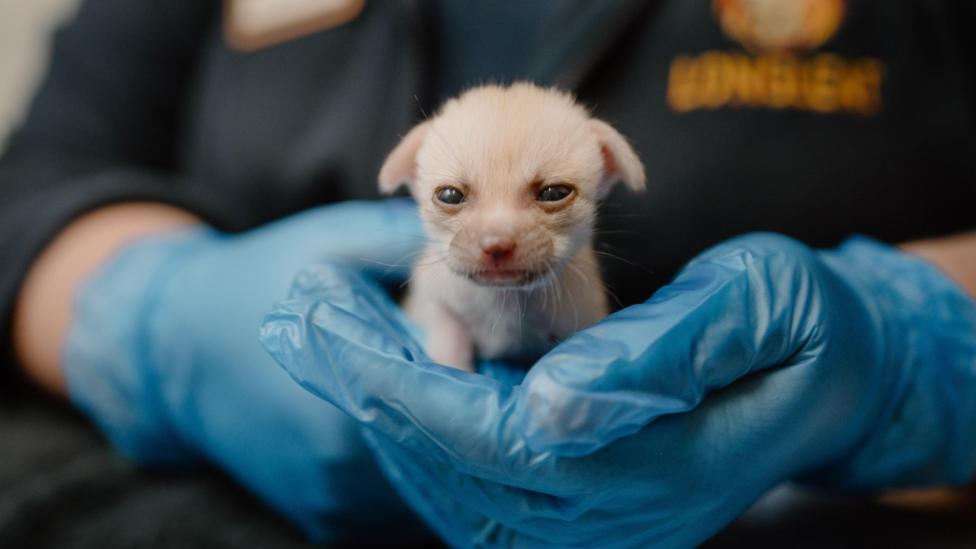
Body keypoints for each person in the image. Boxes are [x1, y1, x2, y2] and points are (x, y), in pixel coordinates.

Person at [2, 0, 975, 546]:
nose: (500, 237)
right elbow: (36, 180)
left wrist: (908, 353)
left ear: (605, 172)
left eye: (550, 198)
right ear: (415, 177)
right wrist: (153, 317)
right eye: (455, 203)